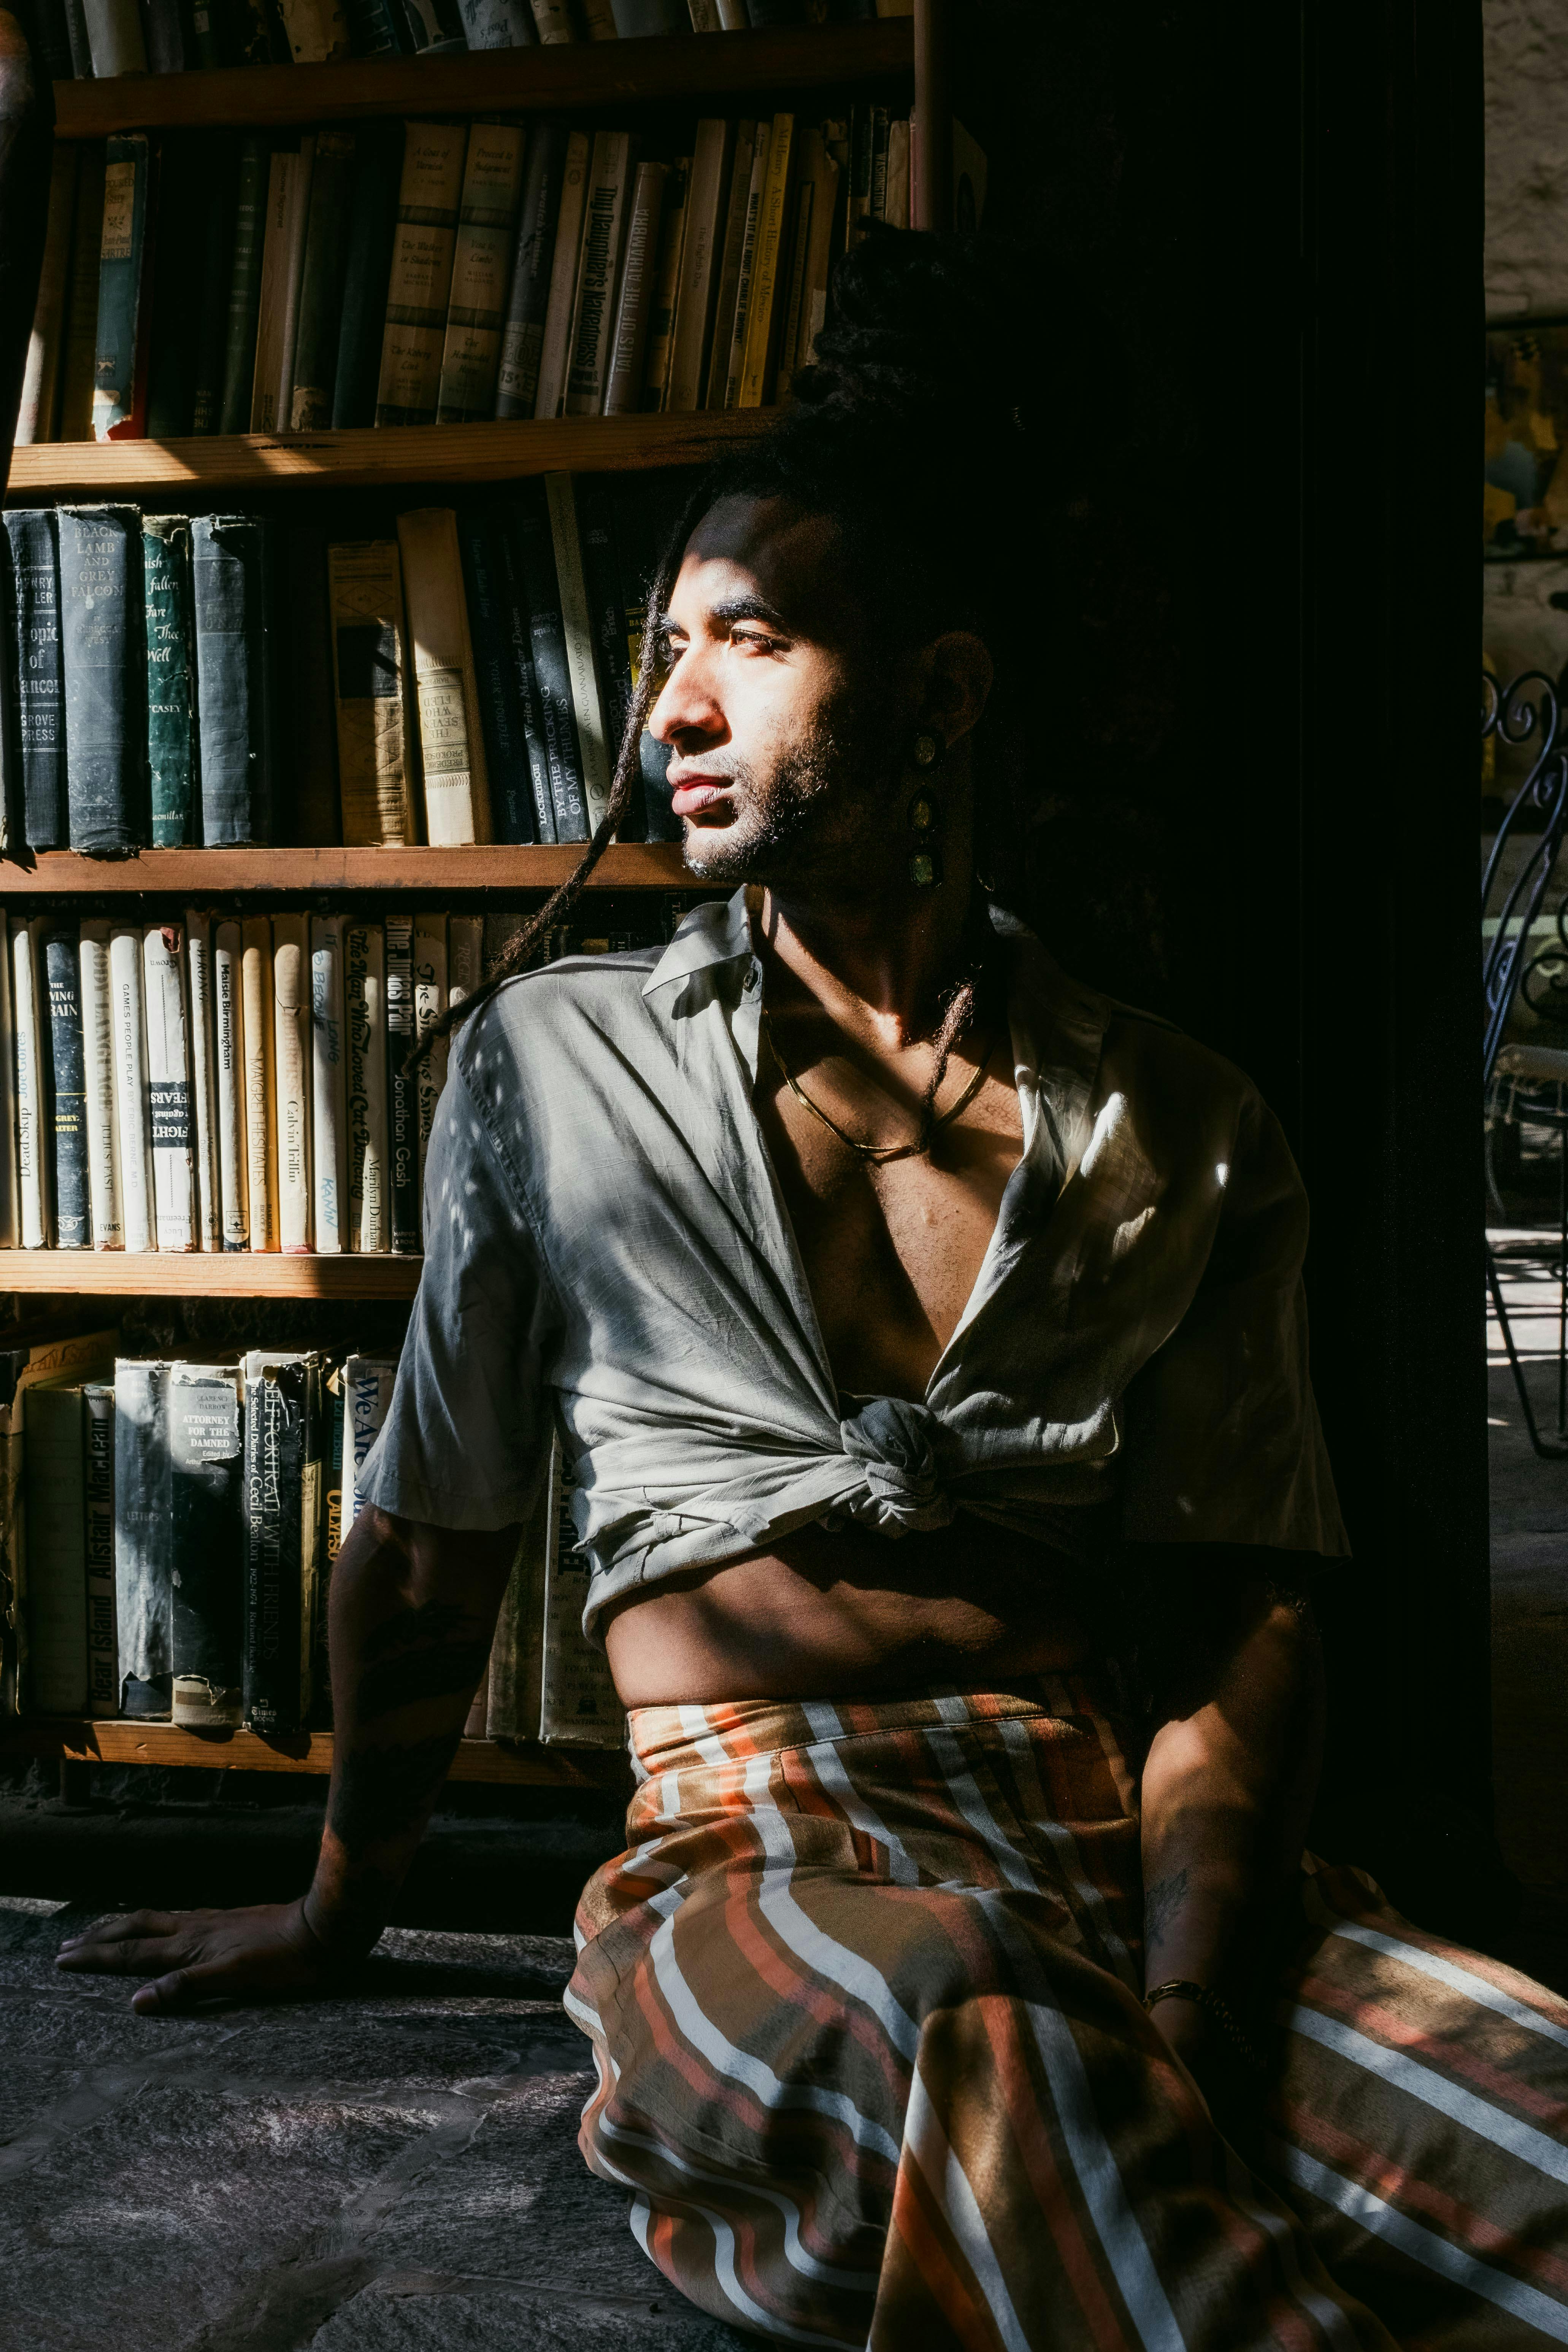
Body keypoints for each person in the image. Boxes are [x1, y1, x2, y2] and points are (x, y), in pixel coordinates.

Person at [60, 235, 1568, 2349]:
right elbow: (428, 1537)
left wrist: (1205, 1989)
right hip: (761, 1859)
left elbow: (1246, 1605)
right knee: (986, 2039)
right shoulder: (561, 1060)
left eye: (745, 644)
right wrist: (336, 1906)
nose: (668, 704)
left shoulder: (1179, 1118)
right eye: (664, 642)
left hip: (1105, 1823)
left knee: (1520, 2102)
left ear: (941, 693)